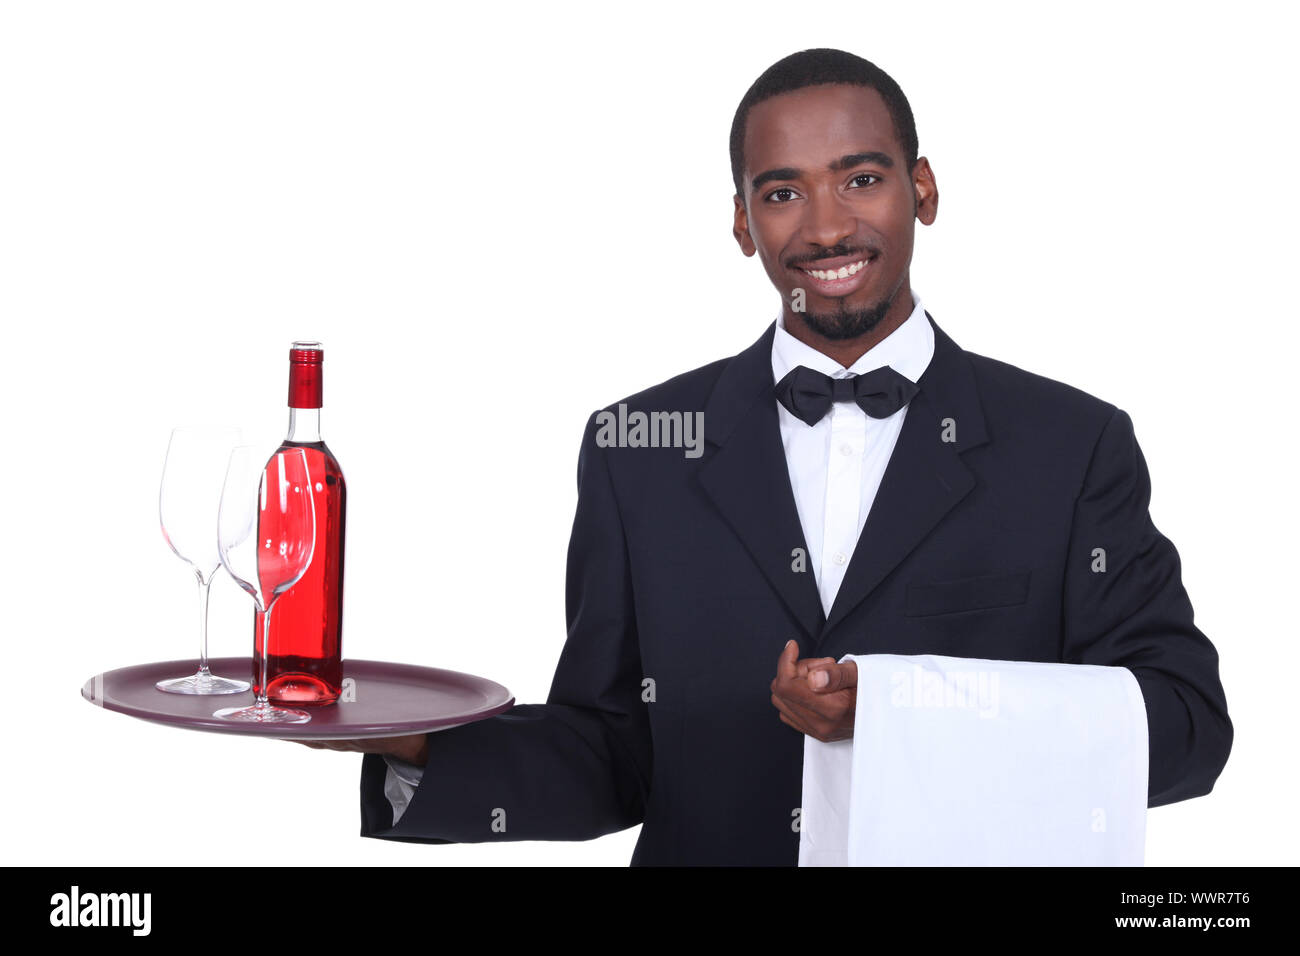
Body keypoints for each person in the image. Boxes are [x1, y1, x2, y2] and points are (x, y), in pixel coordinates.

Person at [299, 48, 1232, 866]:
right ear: (742, 223)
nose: (824, 228)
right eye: (781, 192)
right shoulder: (635, 446)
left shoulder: (1071, 448)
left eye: (861, 178)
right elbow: (615, 756)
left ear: (926, 190)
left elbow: (1185, 728)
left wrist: (908, 715)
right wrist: (419, 743)